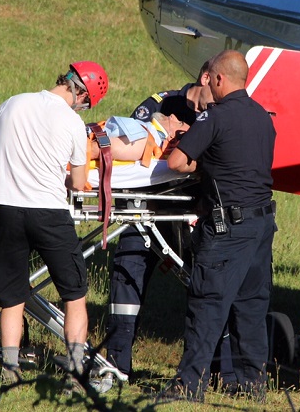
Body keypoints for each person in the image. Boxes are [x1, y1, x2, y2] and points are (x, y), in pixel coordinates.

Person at [0, 61, 108, 383]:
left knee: (12, 296)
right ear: (81, 93)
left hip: (7, 210)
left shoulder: (12, 103)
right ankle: (75, 372)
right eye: (87, 103)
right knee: (74, 294)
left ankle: (10, 371)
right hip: (49, 214)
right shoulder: (72, 122)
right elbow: (79, 181)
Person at [163, 49, 277, 401]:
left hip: (228, 228)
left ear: (220, 79)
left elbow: (176, 163)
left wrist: (201, 164)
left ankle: (188, 386)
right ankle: (251, 387)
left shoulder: (214, 117)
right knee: (251, 308)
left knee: (208, 305)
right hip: (262, 224)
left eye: (210, 78)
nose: (207, 84)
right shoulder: (263, 117)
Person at [104, 63, 227, 383]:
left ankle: (212, 367)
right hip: (148, 204)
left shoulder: (219, 112)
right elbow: (133, 143)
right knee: (128, 261)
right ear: (205, 79)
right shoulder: (161, 105)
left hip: (192, 210)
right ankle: (117, 361)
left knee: (212, 280)